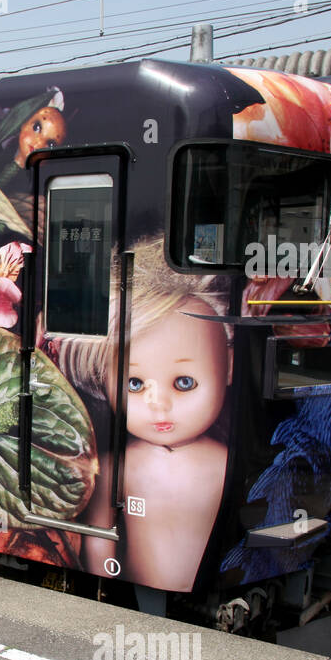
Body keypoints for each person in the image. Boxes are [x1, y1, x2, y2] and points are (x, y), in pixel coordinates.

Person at [61, 236, 232, 593]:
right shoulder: (110, 469)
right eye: (135, 384)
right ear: (103, 380)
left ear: (228, 367)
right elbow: (98, 539)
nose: (160, 404)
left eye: (184, 382)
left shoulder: (227, 462)